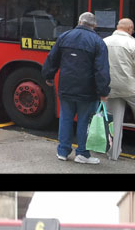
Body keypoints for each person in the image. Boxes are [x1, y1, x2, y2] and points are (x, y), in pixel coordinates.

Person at [41, 11, 110, 164]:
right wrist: (103, 91)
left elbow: (52, 58)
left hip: (66, 86)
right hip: (87, 90)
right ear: (94, 25)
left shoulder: (65, 36)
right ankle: (82, 154)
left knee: (65, 118)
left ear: (79, 21)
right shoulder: (98, 42)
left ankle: (63, 151)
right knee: (84, 121)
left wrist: (48, 76)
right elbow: (101, 70)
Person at [101, 18, 135, 162]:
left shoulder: (105, 41)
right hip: (130, 86)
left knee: (115, 121)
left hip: (110, 86)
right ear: (130, 29)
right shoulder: (133, 43)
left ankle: (113, 154)